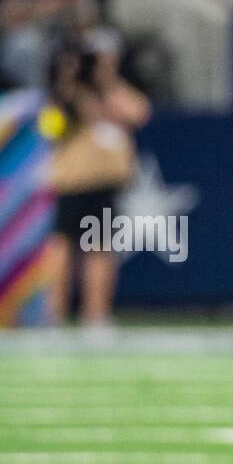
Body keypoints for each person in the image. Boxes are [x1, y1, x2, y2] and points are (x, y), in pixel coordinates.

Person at [41, 33, 150, 326]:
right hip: (74, 181)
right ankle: (55, 314)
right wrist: (73, 79)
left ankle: (96, 315)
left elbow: (140, 112)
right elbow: (55, 124)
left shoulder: (111, 90)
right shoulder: (70, 91)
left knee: (99, 248)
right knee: (64, 246)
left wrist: (106, 81)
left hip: (104, 182)